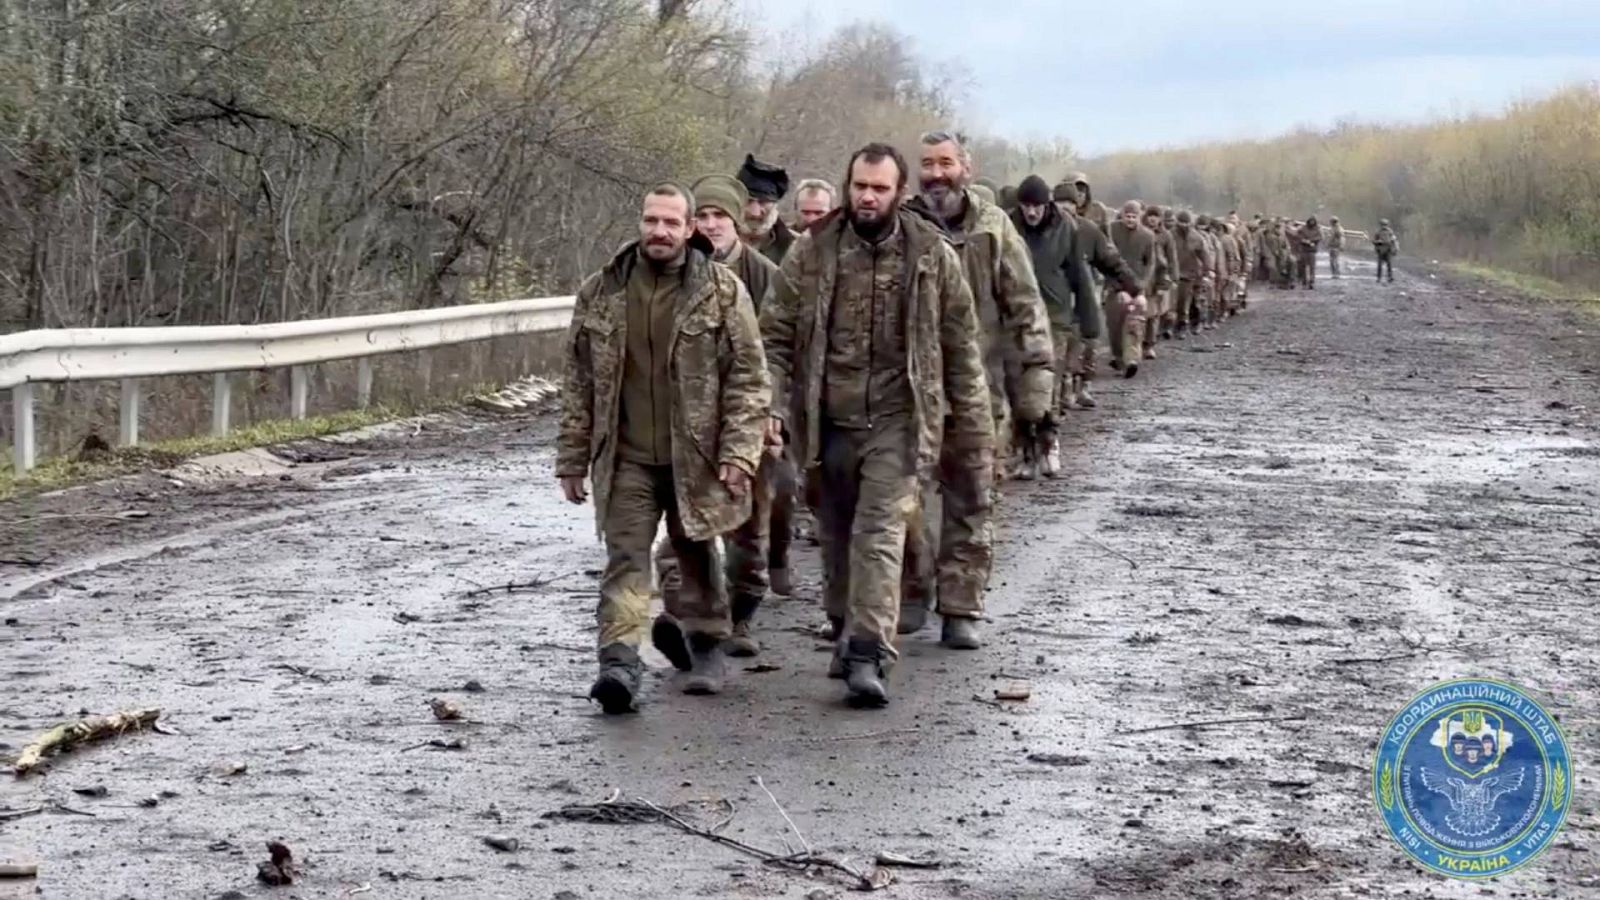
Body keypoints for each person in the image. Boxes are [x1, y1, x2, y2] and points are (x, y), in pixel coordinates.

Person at [761, 142, 994, 706]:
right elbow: (773, 336)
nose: (868, 197)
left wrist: (973, 426)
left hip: (898, 419)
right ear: (848, 188)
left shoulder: (930, 256)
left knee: (880, 532)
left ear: (899, 192)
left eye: (880, 188)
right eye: (860, 186)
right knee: (835, 532)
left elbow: (960, 347)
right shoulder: (812, 254)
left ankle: (870, 650)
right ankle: (844, 627)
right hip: (825, 420)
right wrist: (769, 405)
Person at [557, 183, 771, 713]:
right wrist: (572, 457)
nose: (659, 231)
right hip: (625, 454)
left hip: (694, 455)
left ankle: (705, 645)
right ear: (640, 222)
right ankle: (620, 664)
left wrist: (740, 452)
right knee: (625, 559)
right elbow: (578, 380)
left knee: (697, 551)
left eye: (671, 222)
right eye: (651, 220)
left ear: (690, 227)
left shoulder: (720, 291)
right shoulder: (602, 291)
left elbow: (749, 376)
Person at [901, 130, 1052, 647]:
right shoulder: (902, 226)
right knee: (902, 503)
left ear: (966, 167)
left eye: (945, 163)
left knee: (972, 502)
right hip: (908, 395)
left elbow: (1025, 309)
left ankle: (961, 605)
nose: (936, 174)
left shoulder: (994, 229)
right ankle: (912, 590)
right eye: (927, 164)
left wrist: (1035, 392)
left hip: (979, 393)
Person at [651, 175, 784, 661]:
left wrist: (773, 414)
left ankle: (743, 614)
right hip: (688, 427)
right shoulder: (677, 274)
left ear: (737, 223)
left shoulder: (765, 275)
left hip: (748, 421)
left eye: (719, 217)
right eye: (702, 217)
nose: (711, 226)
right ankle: (686, 621)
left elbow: (780, 351)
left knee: (748, 530)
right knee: (684, 531)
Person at [1010, 174, 1095, 478]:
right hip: (1016, 321)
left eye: (1037, 206)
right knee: (1019, 389)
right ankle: (1025, 452)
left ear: (1046, 205)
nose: (1031, 212)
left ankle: (1050, 444)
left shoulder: (1065, 228)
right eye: (1026, 206)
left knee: (1048, 387)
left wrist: (1089, 320)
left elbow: (1080, 275)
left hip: (1054, 319)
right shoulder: (1008, 228)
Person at [1107, 200, 1155, 374]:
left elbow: (1150, 263)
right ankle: (1118, 356)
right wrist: (1116, 287)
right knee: (1114, 325)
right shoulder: (1112, 231)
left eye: (1134, 216)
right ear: (1122, 215)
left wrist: (1142, 288)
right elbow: (1105, 260)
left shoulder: (1147, 236)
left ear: (1140, 216)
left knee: (1134, 324)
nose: (1130, 220)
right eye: (1127, 216)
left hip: (1137, 286)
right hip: (1115, 286)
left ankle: (1132, 359)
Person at [738, 154, 796, 264]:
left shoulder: (795, 249)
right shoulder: (712, 239)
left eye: (763, 202)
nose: (754, 213)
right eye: (748, 201)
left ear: (775, 205)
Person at [1171, 211, 1214, 337]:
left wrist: (1209, 270)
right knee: (1180, 301)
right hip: (1176, 272)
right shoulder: (1171, 236)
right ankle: (1181, 325)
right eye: (1181, 223)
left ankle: (1196, 323)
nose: (1184, 226)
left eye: (1186, 223)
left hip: (1193, 273)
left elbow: (1204, 255)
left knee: (1195, 301)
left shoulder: (1196, 237)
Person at [1142, 205, 1175, 356]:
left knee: (1153, 313)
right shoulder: (1140, 231)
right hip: (1140, 276)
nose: (1152, 219)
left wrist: (1172, 278)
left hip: (1157, 278)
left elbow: (1171, 258)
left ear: (1160, 218)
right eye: (1150, 215)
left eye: (1156, 216)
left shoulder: (1166, 236)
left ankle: (1149, 344)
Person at [1297, 216, 1324, 289]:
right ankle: (1304, 281)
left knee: (1312, 267)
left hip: (1312, 250)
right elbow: (1299, 237)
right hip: (1304, 249)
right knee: (1304, 266)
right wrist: (1306, 241)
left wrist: (1312, 241)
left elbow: (1320, 237)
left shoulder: (1317, 229)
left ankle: (1311, 281)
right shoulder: (1303, 229)